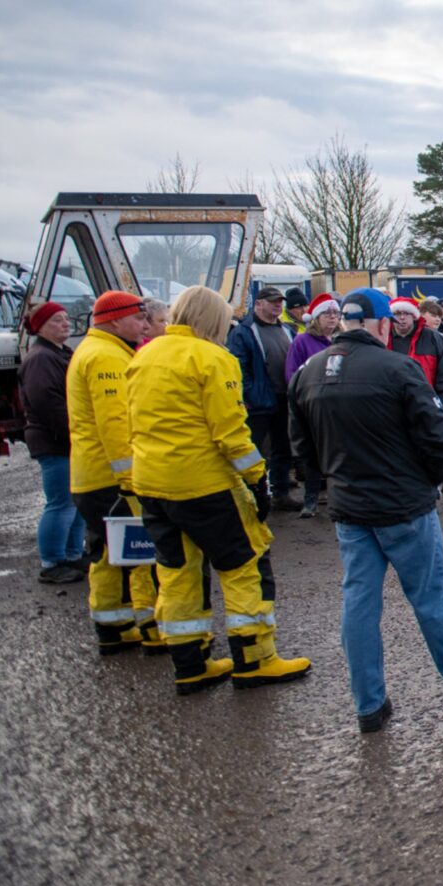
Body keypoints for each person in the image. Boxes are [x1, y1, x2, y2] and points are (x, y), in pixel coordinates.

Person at [289, 288, 443, 732]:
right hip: (402, 504)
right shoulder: (398, 368)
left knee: (358, 600)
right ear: (380, 324)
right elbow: (439, 437)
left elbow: (301, 448)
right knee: (430, 598)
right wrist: (430, 478)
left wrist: (335, 478)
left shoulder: (309, 372)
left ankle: (368, 704)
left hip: (349, 505)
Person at [128, 286, 312, 695]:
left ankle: (190, 664)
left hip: (154, 483)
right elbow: (231, 433)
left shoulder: (145, 355)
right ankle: (255, 659)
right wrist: (256, 480)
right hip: (205, 483)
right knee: (244, 566)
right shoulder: (213, 359)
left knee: (177, 572)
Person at [67, 291, 162, 652]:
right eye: (138, 319)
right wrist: (132, 479)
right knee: (140, 553)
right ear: (115, 320)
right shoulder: (106, 357)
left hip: (92, 476)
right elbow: (117, 422)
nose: (144, 325)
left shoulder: (95, 351)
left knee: (106, 554)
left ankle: (114, 626)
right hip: (111, 479)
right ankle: (152, 626)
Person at [20, 301, 85, 583]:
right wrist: (74, 430)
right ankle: (52, 561)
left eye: (65, 319)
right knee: (61, 503)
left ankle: (72, 554)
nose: (66, 324)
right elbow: (47, 401)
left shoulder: (59, 354)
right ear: (41, 326)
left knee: (76, 501)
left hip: (66, 440)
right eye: (58, 320)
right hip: (55, 441)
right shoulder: (41, 359)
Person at [226, 285, 300, 511]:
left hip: (283, 398)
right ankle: (253, 493)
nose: (278, 305)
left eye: (280, 301)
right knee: (256, 449)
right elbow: (239, 367)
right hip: (258, 402)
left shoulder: (288, 329)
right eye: (272, 301)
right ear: (258, 304)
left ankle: (280, 492)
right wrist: (250, 396)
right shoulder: (244, 331)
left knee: (282, 446)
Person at [390, 297, 443, 496]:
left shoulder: (435, 339)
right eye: (397, 314)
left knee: (429, 456)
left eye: (405, 313)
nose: (401, 319)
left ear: (414, 315)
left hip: (427, 410)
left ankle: (431, 494)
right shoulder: (383, 340)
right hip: (392, 412)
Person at [285, 293, 342, 518]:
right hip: (311, 405)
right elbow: (292, 374)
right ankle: (311, 498)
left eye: (335, 313)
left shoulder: (342, 339)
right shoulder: (302, 341)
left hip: (338, 406)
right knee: (312, 453)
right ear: (316, 318)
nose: (332, 317)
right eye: (327, 313)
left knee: (337, 452)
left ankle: (338, 497)